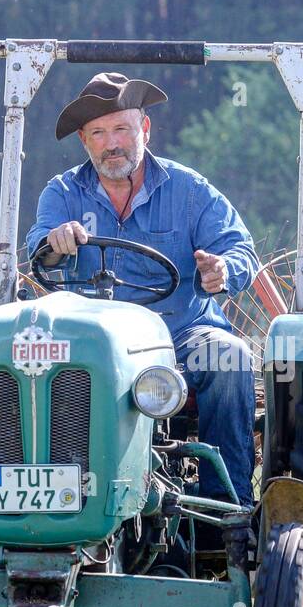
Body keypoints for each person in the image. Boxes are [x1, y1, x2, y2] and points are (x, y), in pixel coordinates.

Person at [24, 71, 259, 508]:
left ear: (144, 130)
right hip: (90, 342)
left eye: (121, 129)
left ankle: (227, 509)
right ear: (84, 140)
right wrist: (53, 244)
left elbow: (239, 248)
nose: (112, 143)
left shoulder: (189, 191)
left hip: (179, 338)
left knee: (229, 357)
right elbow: (39, 247)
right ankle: (57, 499)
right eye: (99, 132)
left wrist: (223, 271)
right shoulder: (62, 193)